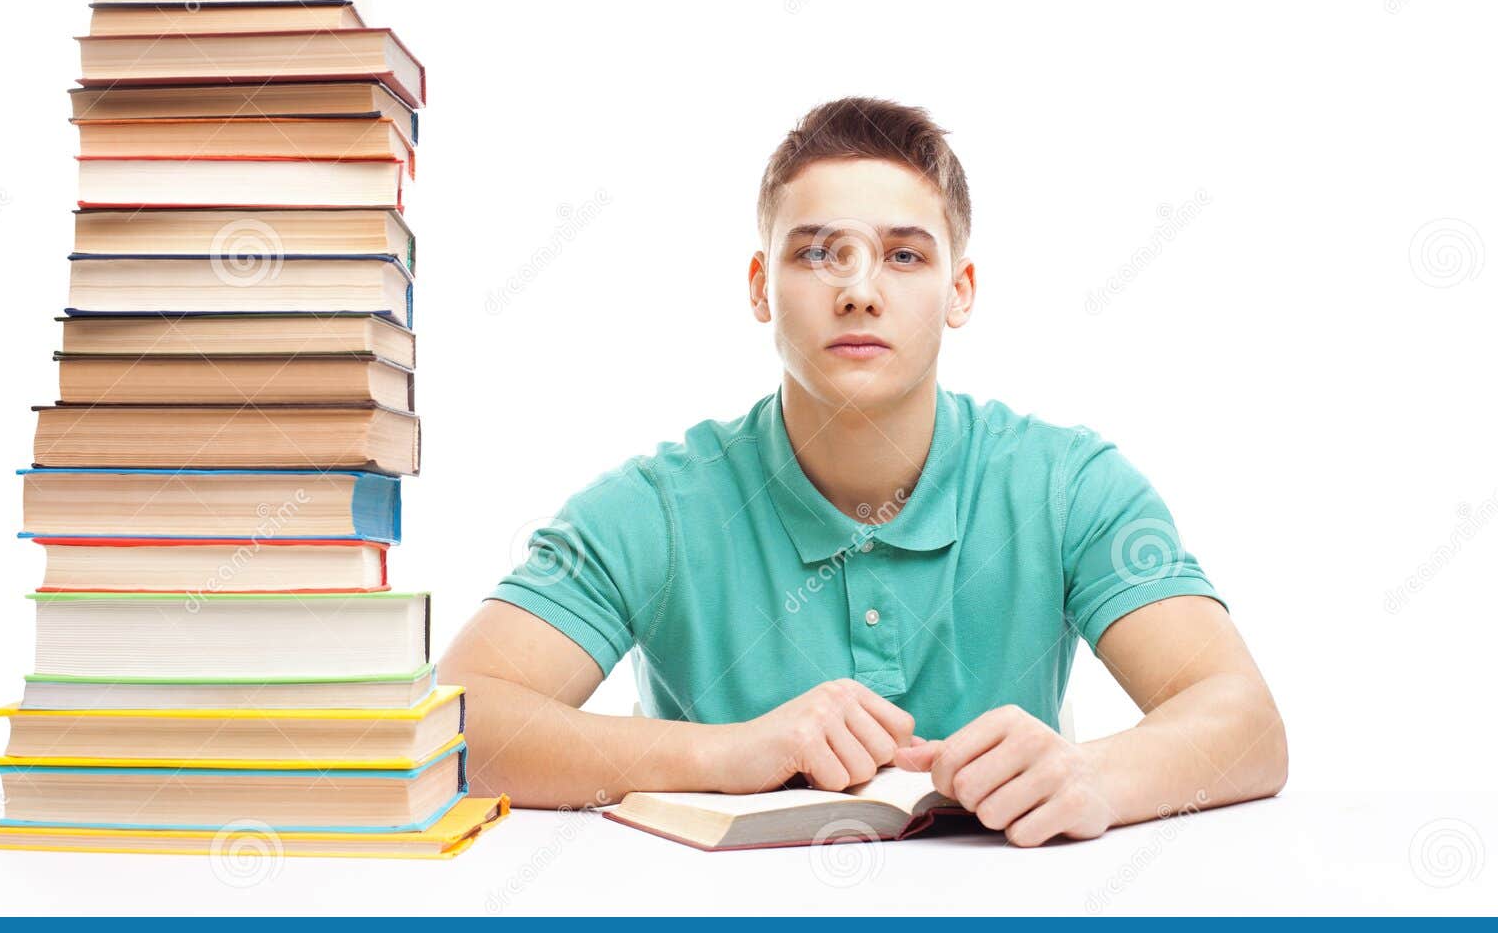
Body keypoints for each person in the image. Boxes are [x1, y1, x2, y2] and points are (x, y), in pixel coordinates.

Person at [440, 96, 1286, 847]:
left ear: (961, 290)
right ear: (759, 287)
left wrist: (1096, 777)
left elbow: (1246, 723)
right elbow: (456, 722)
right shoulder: (654, 508)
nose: (859, 291)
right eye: (816, 253)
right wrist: (730, 753)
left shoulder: (1070, 486)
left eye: (905, 256)